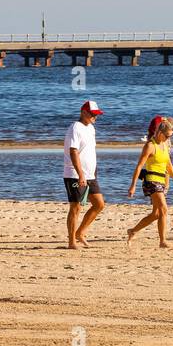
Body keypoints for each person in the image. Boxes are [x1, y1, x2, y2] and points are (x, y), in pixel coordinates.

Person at [127, 117, 173, 249]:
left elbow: (169, 165)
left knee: (156, 214)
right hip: (151, 180)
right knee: (164, 209)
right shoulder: (150, 145)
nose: (169, 139)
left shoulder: (165, 145)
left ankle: (133, 231)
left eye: (170, 136)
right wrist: (132, 185)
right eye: (167, 136)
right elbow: (139, 166)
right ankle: (162, 241)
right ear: (160, 132)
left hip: (161, 180)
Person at [63, 100, 105, 249]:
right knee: (76, 207)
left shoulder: (91, 128)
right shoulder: (75, 127)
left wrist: (92, 172)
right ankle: (71, 242)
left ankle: (80, 233)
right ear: (84, 112)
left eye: (97, 114)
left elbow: (90, 152)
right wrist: (80, 174)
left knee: (99, 204)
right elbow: (73, 151)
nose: (95, 117)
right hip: (74, 174)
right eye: (93, 114)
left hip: (90, 175)